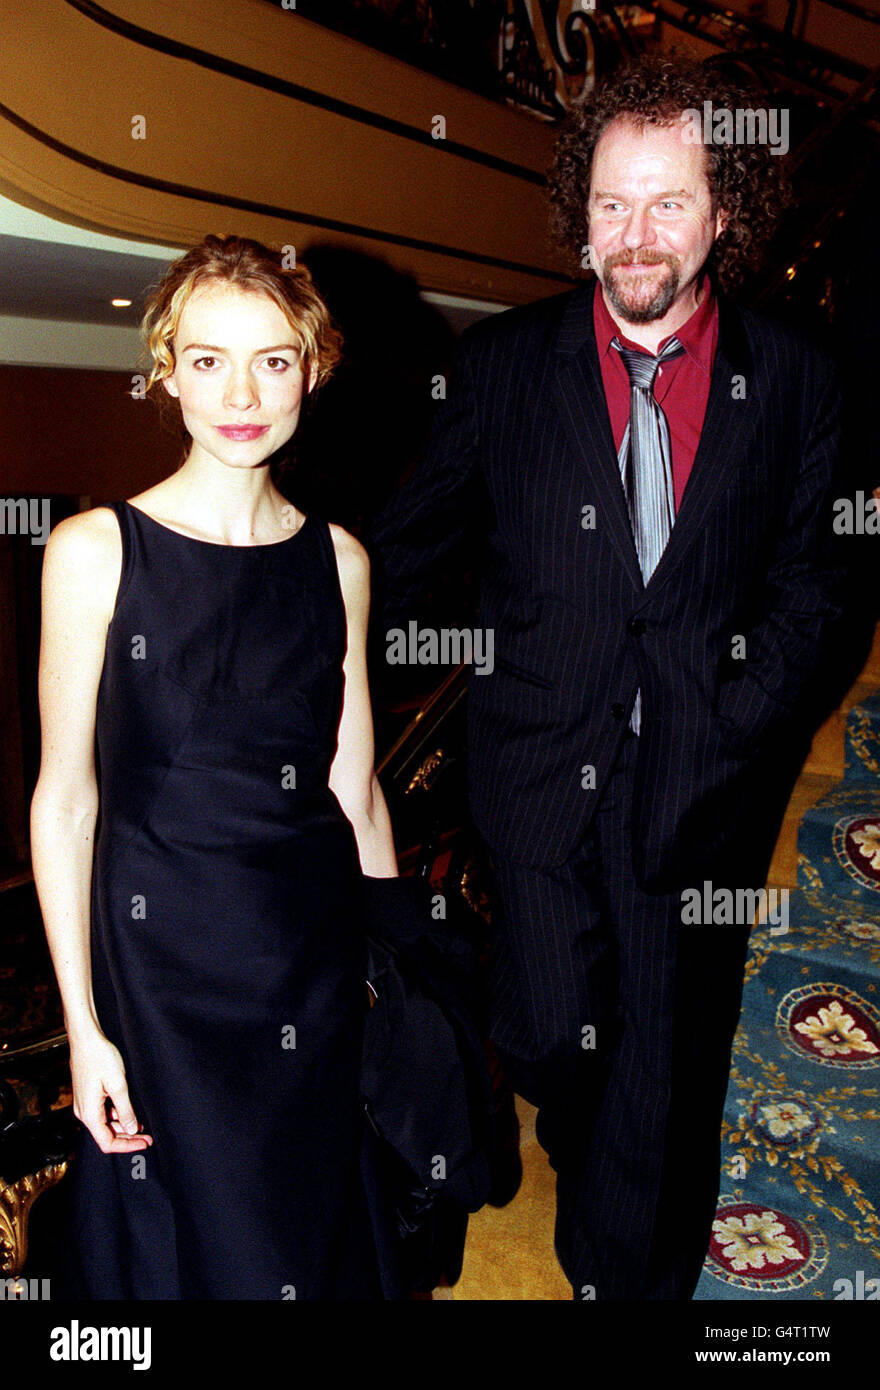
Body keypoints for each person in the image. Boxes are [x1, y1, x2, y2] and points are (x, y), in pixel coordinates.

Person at [369, 55, 844, 1299]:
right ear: (580, 212)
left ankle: (613, 1269)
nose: (635, 236)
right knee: (545, 1033)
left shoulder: (797, 375)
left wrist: (740, 724)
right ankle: (579, 1122)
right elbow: (402, 555)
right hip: (531, 774)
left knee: (664, 1060)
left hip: (704, 774)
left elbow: (818, 582)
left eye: (669, 203)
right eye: (611, 204)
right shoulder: (504, 368)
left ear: (722, 212)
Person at [30, 234, 399, 1300]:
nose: (242, 391)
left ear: (313, 369)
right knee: (184, 1252)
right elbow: (65, 799)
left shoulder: (340, 562)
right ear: (165, 370)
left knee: (304, 1233)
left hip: (310, 960)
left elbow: (353, 782)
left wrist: (394, 973)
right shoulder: (97, 549)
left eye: (273, 359)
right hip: (158, 974)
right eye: (207, 360)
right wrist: (82, 1030)